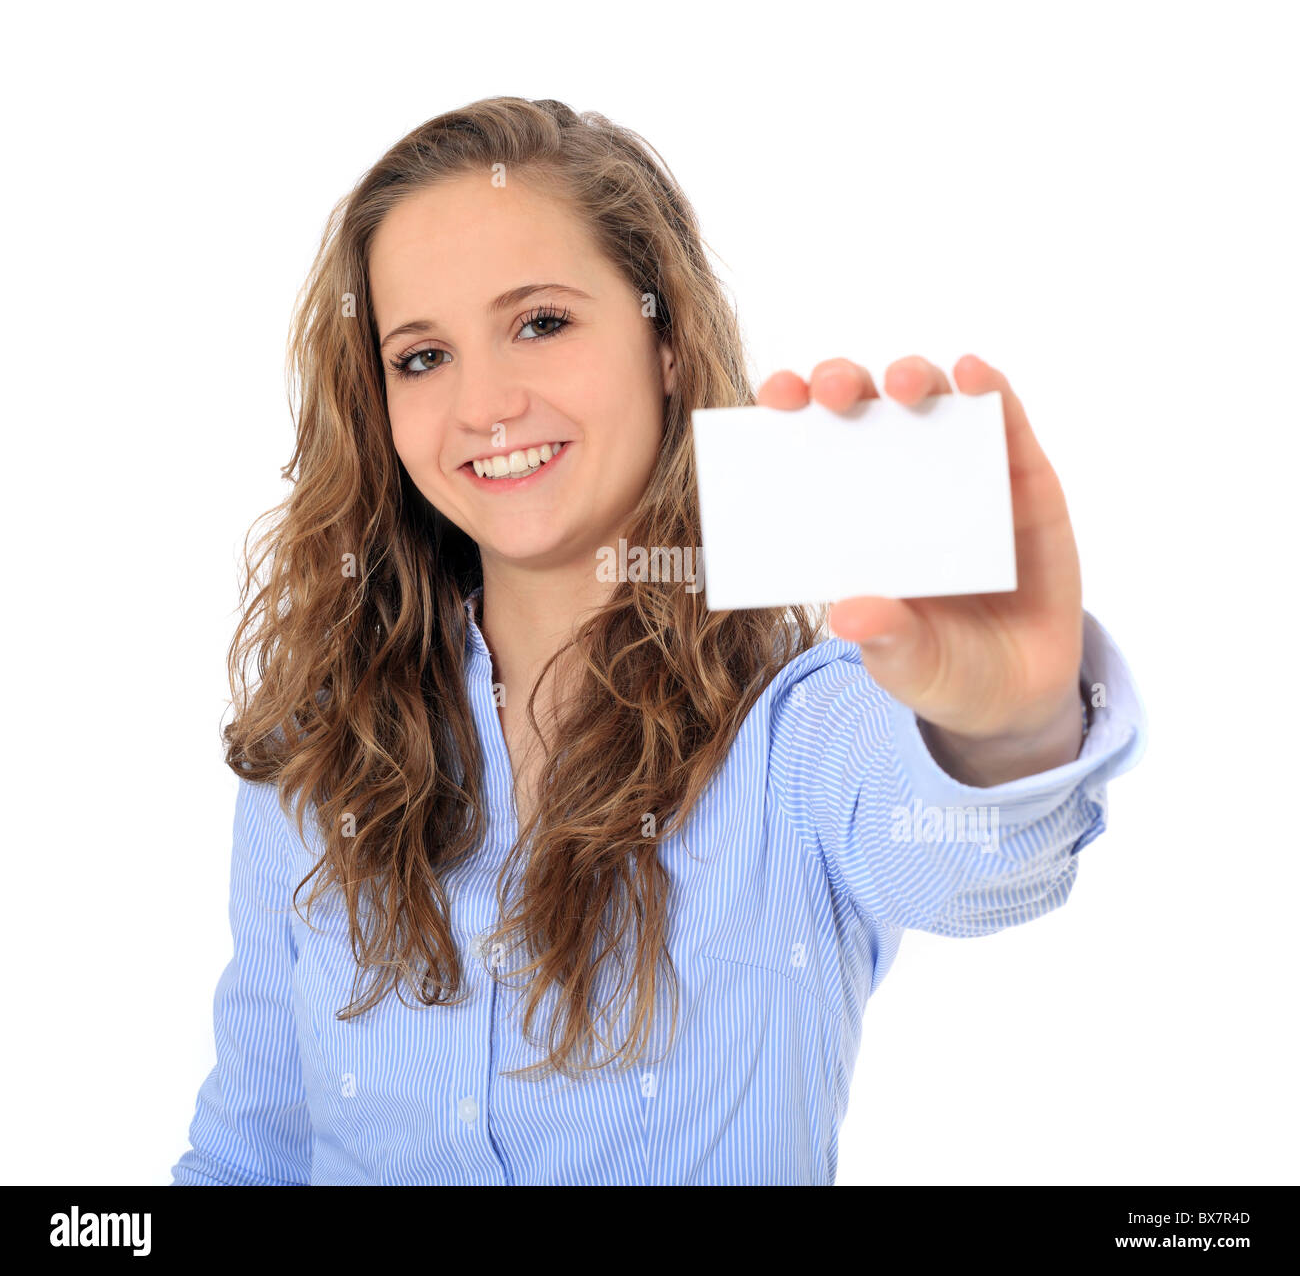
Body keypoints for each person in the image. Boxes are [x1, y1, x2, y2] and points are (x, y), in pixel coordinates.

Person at [171, 96, 1146, 1186]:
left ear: (666, 341)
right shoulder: (316, 750)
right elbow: (248, 1151)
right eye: (422, 355)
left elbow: (971, 867)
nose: (486, 402)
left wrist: (1009, 727)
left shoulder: (798, 729)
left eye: (540, 320)